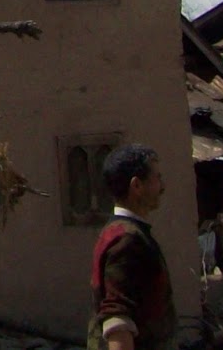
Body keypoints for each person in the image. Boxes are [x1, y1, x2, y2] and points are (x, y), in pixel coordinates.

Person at [88, 144, 176, 350]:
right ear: (136, 186)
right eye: (157, 178)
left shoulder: (125, 233)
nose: (162, 187)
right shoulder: (126, 239)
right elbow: (117, 318)